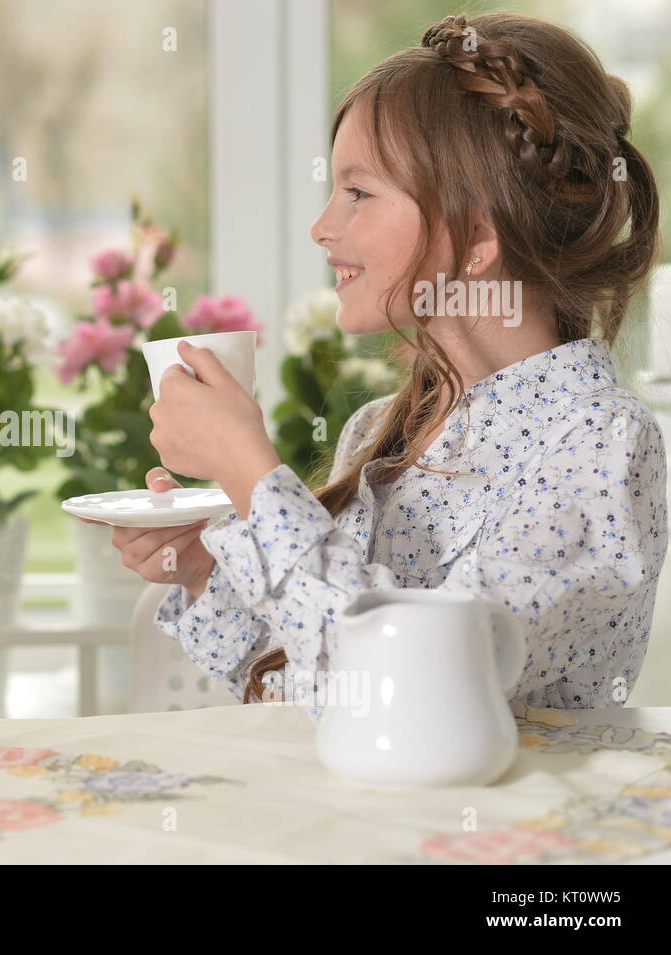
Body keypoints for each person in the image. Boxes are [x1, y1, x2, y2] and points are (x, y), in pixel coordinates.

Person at [105, 12, 666, 715]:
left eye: (359, 192)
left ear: (474, 237)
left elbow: (408, 689)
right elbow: (322, 689)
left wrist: (251, 474)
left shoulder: (598, 446)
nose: (321, 226)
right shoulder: (385, 431)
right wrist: (202, 574)